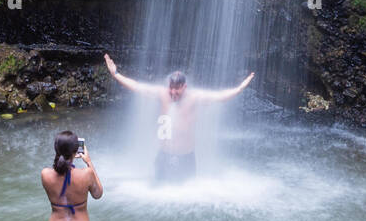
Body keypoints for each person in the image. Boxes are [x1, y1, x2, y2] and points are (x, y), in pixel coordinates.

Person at [103, 54, 254, 182]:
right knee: (157, 193)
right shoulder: (162, 94)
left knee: (187, 199)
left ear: (185, 87)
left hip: (186, 158)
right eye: (171, 88)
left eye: (177, 89)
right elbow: (136, 86)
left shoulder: (194, 97)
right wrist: (116, 74)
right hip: (164, 155)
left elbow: (219, 97)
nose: (173, 92)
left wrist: (239, 89)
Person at [41, 130, 103, 221]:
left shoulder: (45, 174)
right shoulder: (86, 174)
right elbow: (98, 194)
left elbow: (60, 172)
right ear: (76, 151)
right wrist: (89, 162)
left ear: (56, 149)